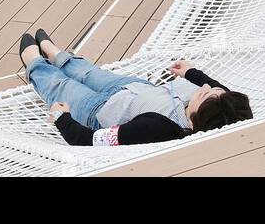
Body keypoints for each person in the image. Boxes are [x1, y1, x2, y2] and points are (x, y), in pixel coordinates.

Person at [19, 29, 252, 146]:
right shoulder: (222, 108)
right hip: (133, 88)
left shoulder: (158, 129)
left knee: (61, 85)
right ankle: (56, 54)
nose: (206, 87)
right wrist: (191, 72)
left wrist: (62, 119)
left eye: (206, 95)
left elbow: (91, 140)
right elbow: (221, 92)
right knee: (87, 72)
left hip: (97, 112)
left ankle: (35, 63)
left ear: (195, 120)